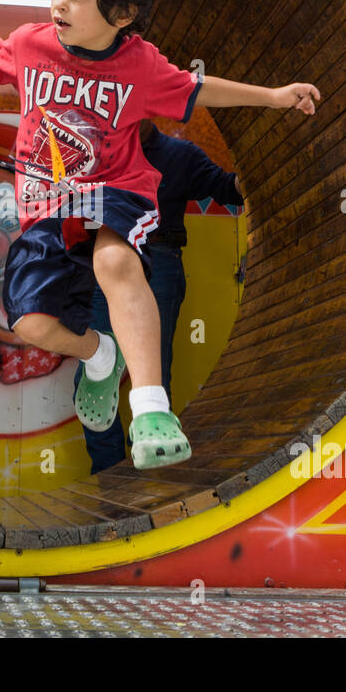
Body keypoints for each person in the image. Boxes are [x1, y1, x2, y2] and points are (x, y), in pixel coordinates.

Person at [0, 0, 318, 469]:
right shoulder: (31, 44)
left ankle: (152, 408)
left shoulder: (139, 66)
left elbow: (198, 88)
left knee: (115, 263)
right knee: (30, 325)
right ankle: (99, 354)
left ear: (122, 14)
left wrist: (275, 98)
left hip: (113, 190)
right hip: (45, 205)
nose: (58, 5)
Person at [73, 120, 244, 472]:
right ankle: (109, 472)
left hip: (159, 261)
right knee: (91, 376)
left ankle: (145, 474)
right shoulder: (99, 152)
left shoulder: (179, 155)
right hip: (106, 263)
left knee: (152, 376)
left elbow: (229, 189)